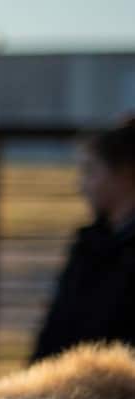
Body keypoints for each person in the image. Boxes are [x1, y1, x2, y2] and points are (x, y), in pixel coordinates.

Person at [32, 116, 135, 362]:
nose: (82, 186)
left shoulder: (106, 249)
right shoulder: (90, 245)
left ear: (124, 174)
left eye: (91, 171)